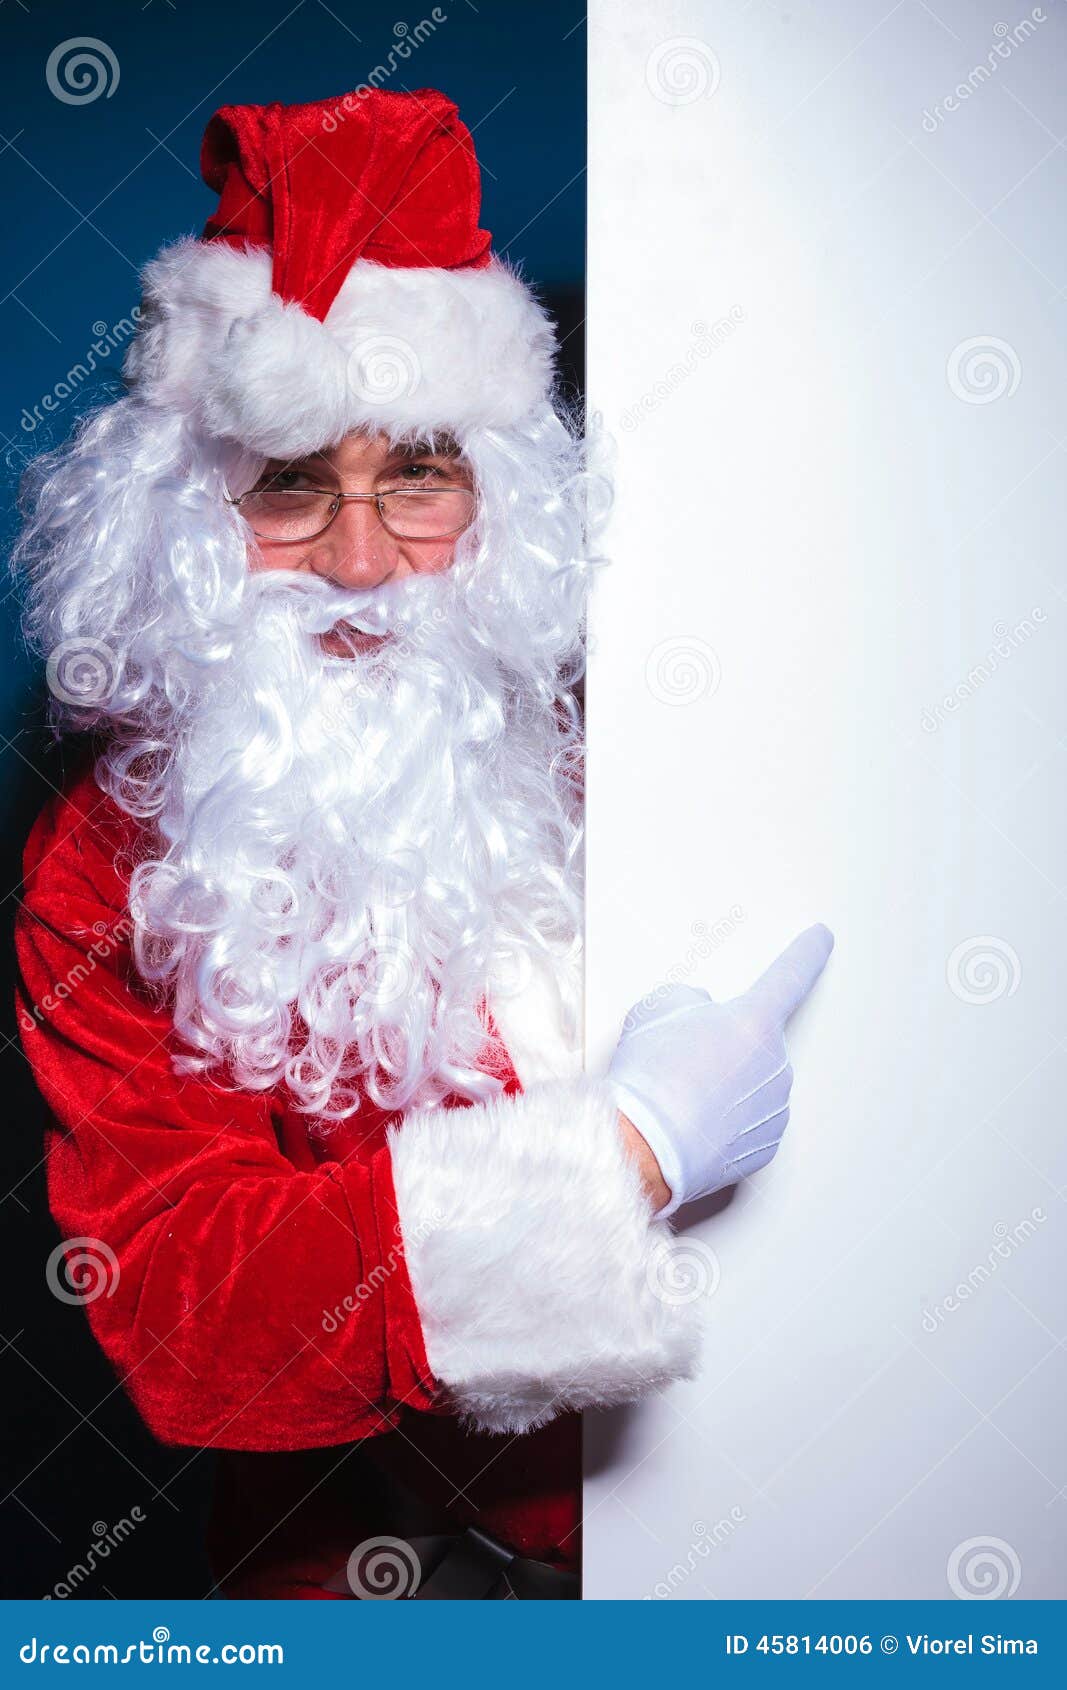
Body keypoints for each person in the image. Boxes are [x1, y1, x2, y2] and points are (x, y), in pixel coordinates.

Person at [11, 86, 833, 1600]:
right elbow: (185, 1308)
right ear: (189, 511)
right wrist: (623, 1153)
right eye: (291, 484)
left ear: (498, 491)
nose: (363, 560)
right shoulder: (104, 863)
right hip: (392, 1562)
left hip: (784, 1527)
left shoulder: (662, 717)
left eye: (420, 473)